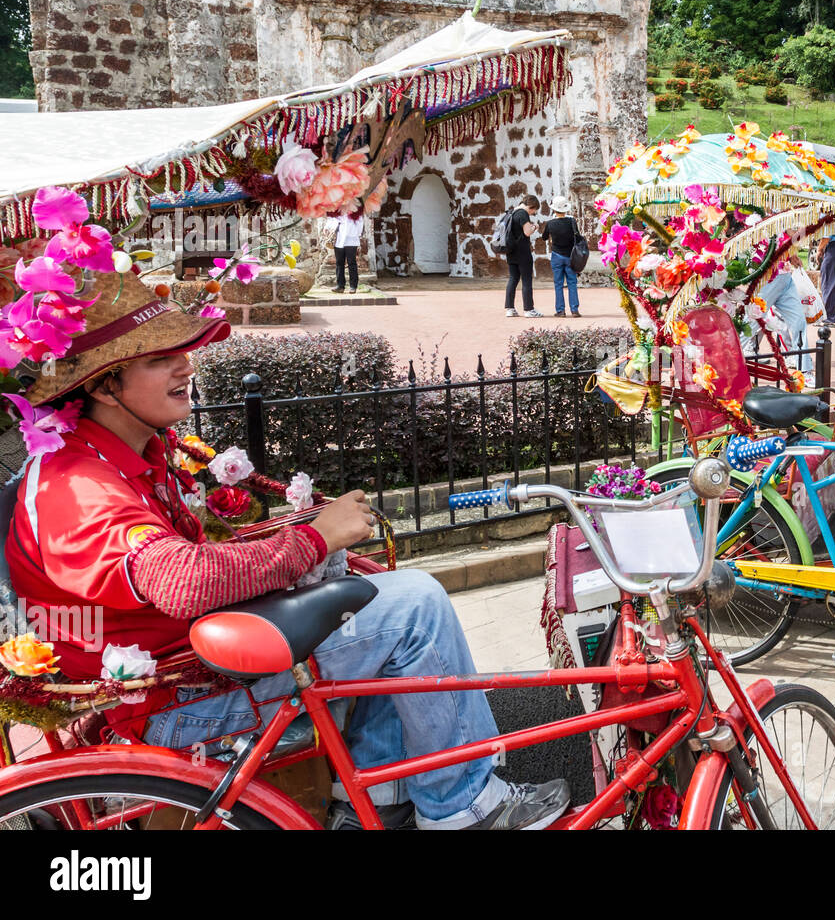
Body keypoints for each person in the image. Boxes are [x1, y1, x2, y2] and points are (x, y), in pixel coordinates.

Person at [4, 270, 569, 830]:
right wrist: (315, 538)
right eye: (159, 360)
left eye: (181, 351)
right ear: (103, 387)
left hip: (193, 668)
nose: (186, 367)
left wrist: (311, 544)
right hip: (174, 703)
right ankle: (465, 809)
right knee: (414, 605)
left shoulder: (125, 453)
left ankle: (380, 804)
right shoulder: (78, 485)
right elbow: (182, 580)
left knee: (374, 600)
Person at [541, 196, 581, 318]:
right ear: (565, 209)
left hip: (557, 255)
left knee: (558, 283)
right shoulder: (572, 221)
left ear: (554, 210)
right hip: (570, 255)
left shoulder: (550, 223)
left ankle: (560, 310)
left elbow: (544, 237)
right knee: (572, 283)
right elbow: (578, 236)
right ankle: (574, 310)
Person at [505, 195, 543, 318]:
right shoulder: (523, 214)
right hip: (522, 251)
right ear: (531, 207)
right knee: (526, 280)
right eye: (534, 211)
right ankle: (528, 309)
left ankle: (509, 308)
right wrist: (535, 227)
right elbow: (527, 232)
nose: (533, 213)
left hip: (511, 251)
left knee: (513, 279)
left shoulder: (512, 212)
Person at [327, 211, 363, 294]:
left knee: (351, 262)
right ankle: (340, 286)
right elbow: (331, 219)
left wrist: (356, 234)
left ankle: (353, 286)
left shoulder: (356, 211)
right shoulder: (337, 210)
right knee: (339, 263)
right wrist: (328, 228)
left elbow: (360, 223)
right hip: (339, 240)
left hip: (351, 240)